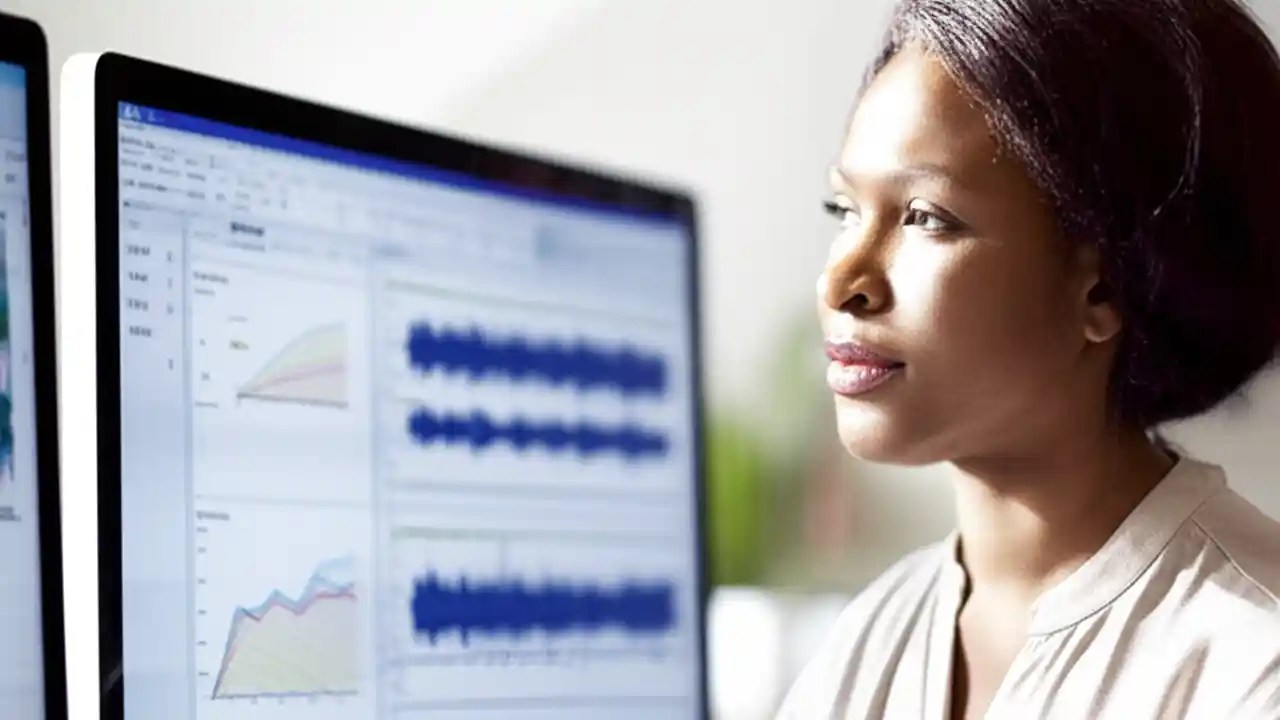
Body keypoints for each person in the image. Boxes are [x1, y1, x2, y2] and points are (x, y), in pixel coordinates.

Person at [776, 0, 1280, 717]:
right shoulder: (865, 644)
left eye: (925, 217)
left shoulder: (1251, 660)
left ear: (1105, 283)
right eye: (845, 211)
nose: (841, 281)